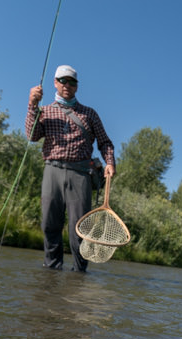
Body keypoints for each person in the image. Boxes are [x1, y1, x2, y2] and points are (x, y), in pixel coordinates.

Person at [26, 65, 116, 272]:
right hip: (52, 170)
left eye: (72, 82)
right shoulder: (45, 110)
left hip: (80, 174)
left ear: (77, 86)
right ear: (55, 83)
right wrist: (32, 104)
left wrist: (109, 162)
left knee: (79, 228)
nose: (67, 85)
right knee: (49, 224)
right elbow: (32, 136)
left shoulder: (89, 114)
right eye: (63, 81)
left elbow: (105, 143)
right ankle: (52, 268)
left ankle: (79, 272)